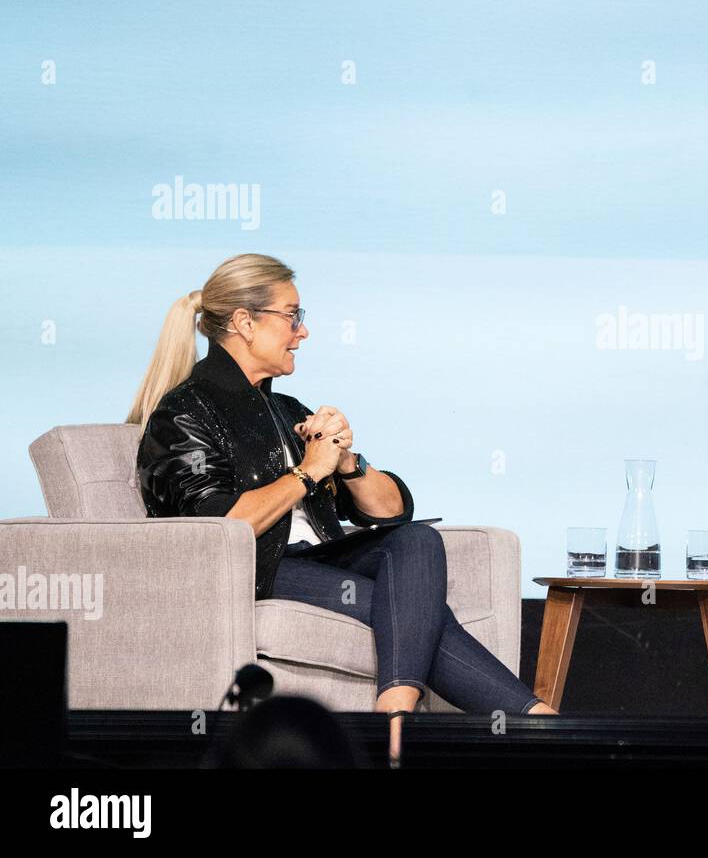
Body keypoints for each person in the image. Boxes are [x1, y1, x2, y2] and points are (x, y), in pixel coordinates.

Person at [130, 253, 557, 762]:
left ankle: (397, 707)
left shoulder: (286, 409)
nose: (302, 332)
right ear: (245, 322)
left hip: (316, 556)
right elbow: (221, 528)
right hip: (254, 568)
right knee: (399, 606)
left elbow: (391, 511)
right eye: (293, 316)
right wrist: (307, 472)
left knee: (417, 539)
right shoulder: (184, 411)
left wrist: (349, 463)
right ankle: (537, 723)